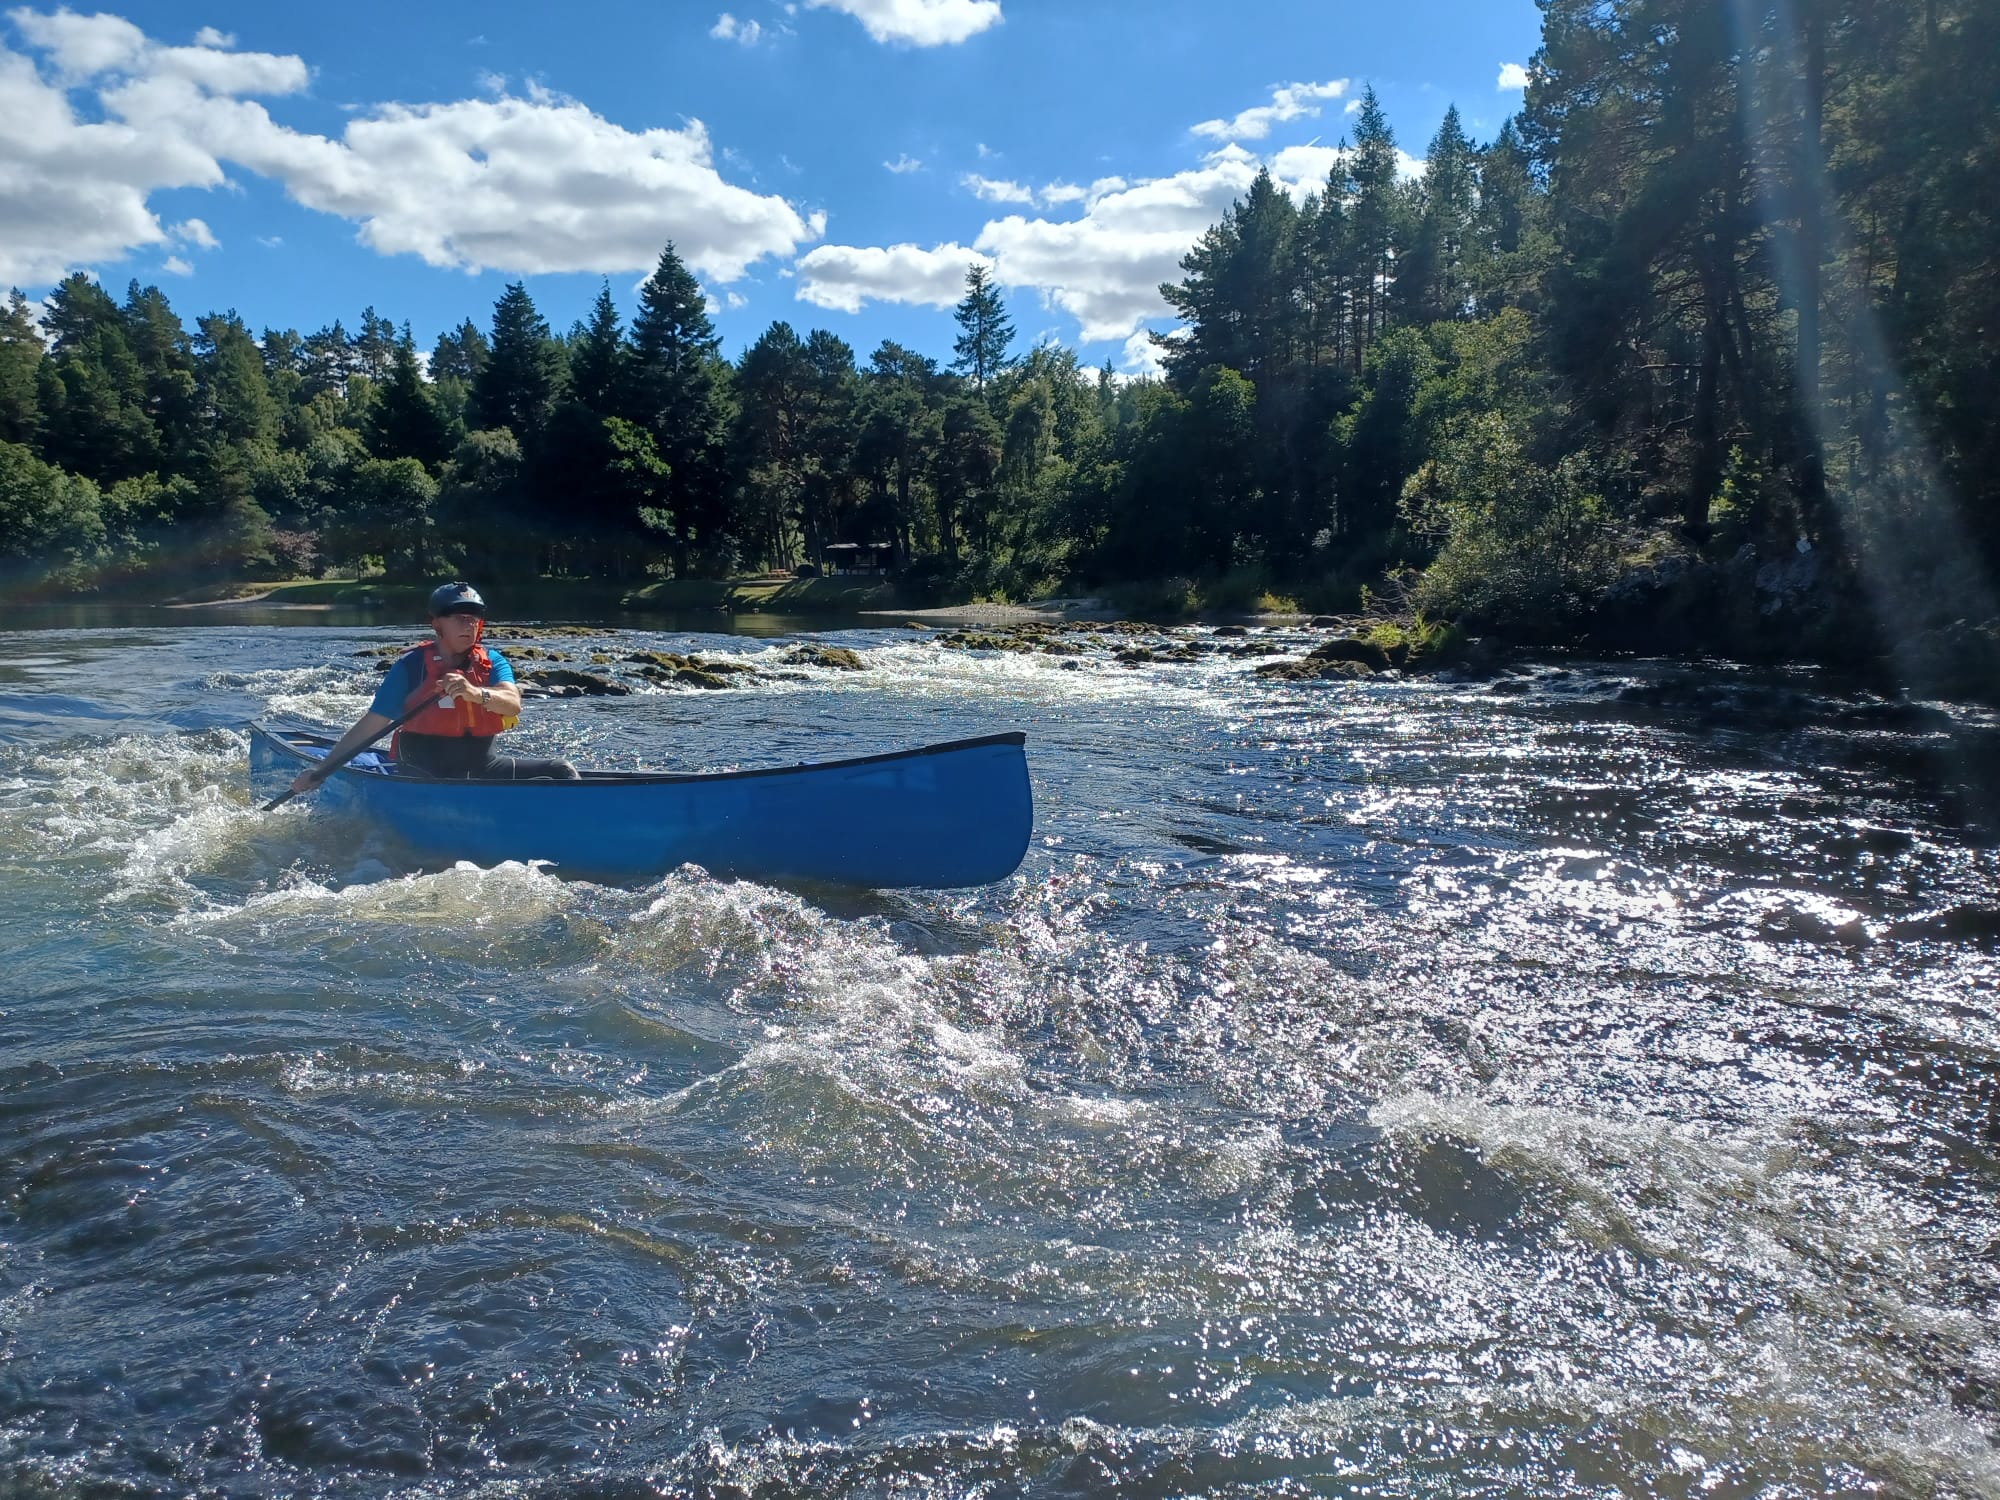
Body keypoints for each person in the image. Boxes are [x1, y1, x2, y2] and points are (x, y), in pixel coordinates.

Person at [288, 581, 577, 793]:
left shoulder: (493, 661)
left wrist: (475, 693)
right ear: (437, 624)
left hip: (481, 766)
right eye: (458, 617)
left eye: (474, 618)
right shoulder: (411, 667)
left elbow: (512, 703)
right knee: (442, 787)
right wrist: (321, 770)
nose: (468, 624)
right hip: (420, 772)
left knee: (560, 770)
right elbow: (371, 725)